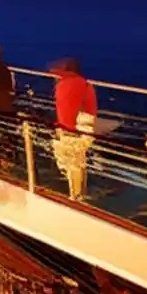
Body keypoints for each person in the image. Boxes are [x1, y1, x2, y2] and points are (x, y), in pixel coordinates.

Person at [51, 57, 97, 201]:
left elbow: (63, 108)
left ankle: (76, 194)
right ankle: (78, 194)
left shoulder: (61, 85)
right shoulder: (85, 85)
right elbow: (89, 110)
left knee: (72, 165)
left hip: (66, 129)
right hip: (78, 130)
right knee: (77, 164)